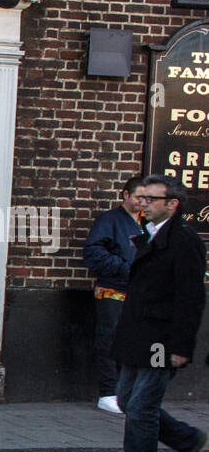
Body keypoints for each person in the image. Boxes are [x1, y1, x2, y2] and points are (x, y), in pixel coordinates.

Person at [103, 174, 208, 452]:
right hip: (136, 335)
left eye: (150, 199)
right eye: (141, 197)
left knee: (142, 405)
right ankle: (188, 440)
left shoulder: (185, 241)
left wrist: (181, 346)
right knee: (125, 399)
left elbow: (191, 298)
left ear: (172, 204)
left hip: (161, 338)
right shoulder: (148, 233)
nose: (142, 203)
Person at [82, 174, 144, 414]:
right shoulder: (110, 220)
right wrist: (124, 267)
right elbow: (93, 252)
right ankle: (108, 393)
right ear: (126, 195)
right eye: (139, 197)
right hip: (113, 290)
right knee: (108, 340)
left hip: (139, 293)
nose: (143, 202)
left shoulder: (146, 223)